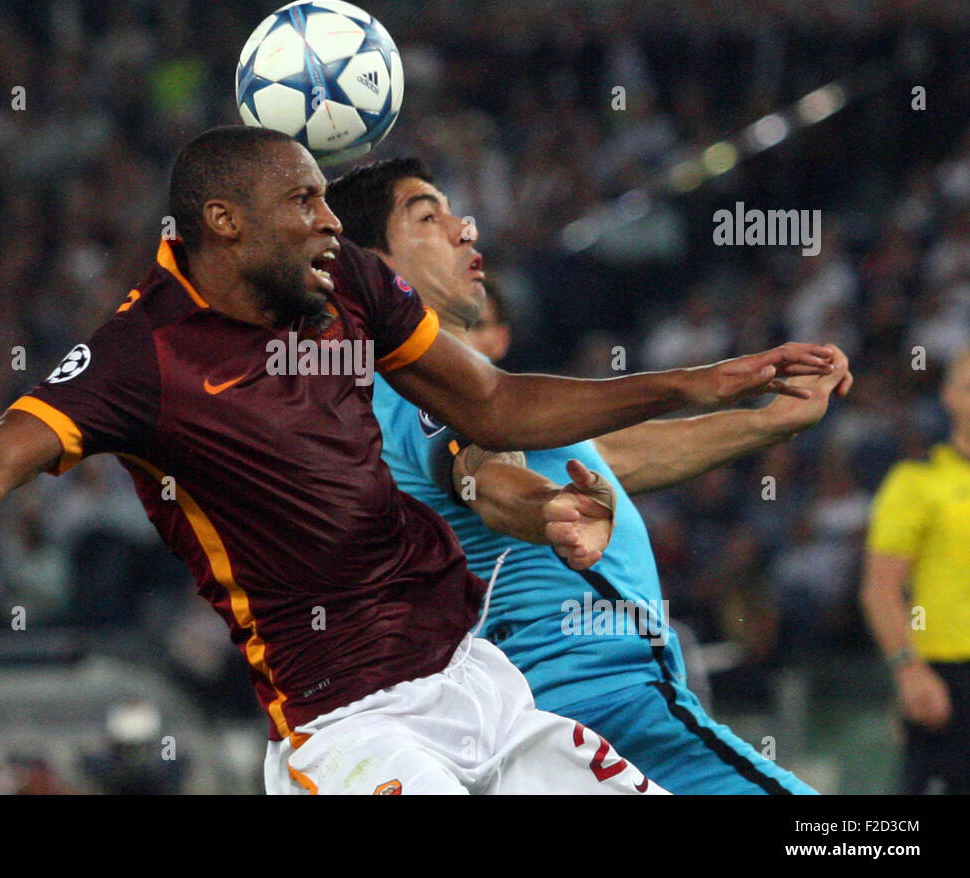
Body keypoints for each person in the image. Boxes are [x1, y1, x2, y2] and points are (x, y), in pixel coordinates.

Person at [0, 126, 839, 795]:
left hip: (480, 681)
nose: (323, 220)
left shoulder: (348, 287)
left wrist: (693, 379)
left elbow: (492, 401)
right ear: (223, 221)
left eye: (324, 198)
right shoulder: (139, 358)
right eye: (301, 201)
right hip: (349, 723)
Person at [327, 156, 853, 794]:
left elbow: (617, 458)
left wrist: (769, 423)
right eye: (428, 219)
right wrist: (552, 509)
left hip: (547, 716)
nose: (465, 228)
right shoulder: (418, 387)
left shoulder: (424, 390)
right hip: (604, 701)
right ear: (378, 270)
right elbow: (487, 479)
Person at [863, 348, 970, 794]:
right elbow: (880, 589)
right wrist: (910, 671)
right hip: (950, 677)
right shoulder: (916, 481)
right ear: (949, 396)